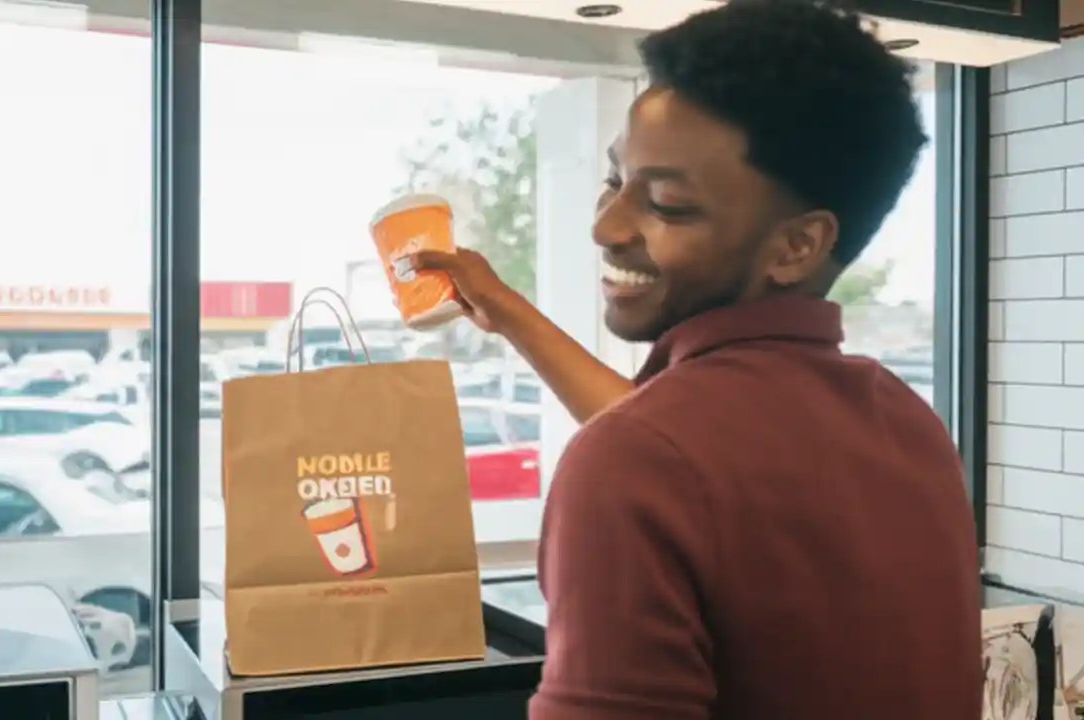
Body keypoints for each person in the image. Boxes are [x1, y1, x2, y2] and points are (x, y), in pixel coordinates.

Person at [412, 1, 980, 718]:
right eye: (616, 181)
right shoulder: (907, 425)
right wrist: (513, 314)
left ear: (797, 246)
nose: (605, 226)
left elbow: (657, 458)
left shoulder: (641, 465)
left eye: (669, 205)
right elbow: (684, 457)